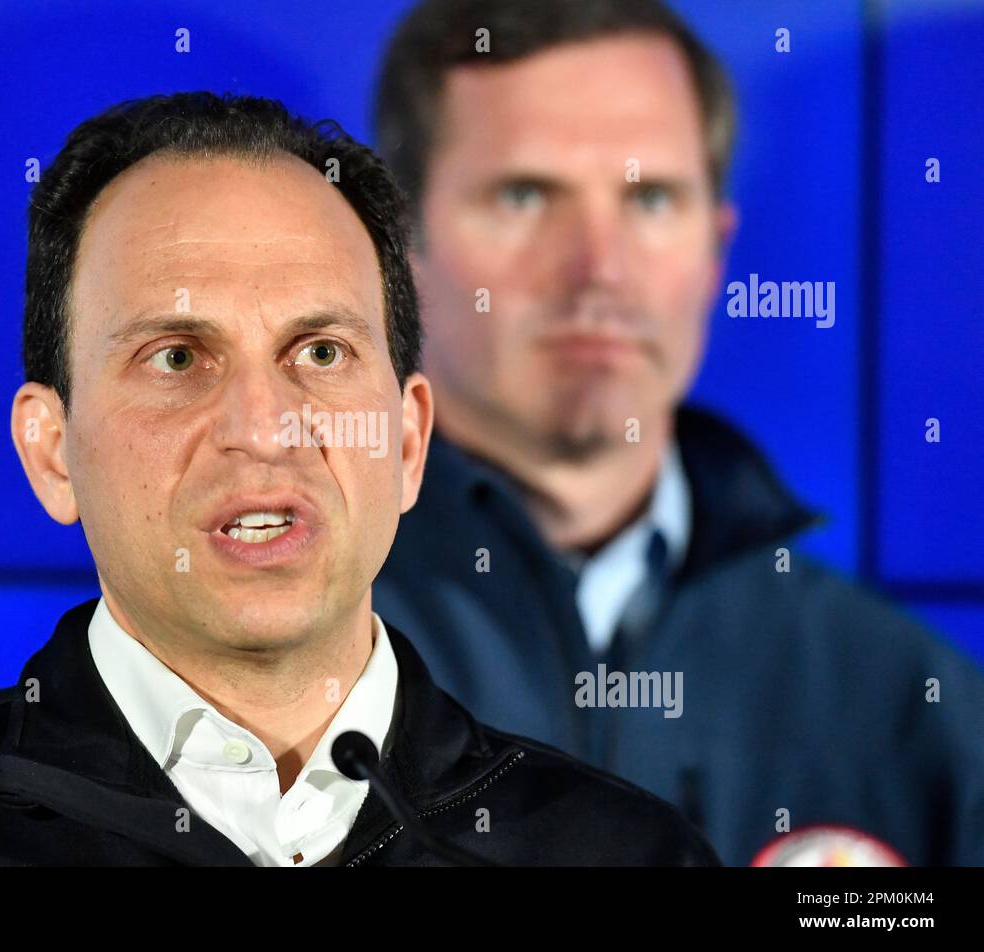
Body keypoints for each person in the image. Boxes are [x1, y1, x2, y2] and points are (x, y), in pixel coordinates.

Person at [0, 92, 718, 867]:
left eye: (318, 353)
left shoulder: (628, 855)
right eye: (177, 356)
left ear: (406, 442)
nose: (260, 429)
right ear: (53, 450)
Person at [371, 0, 984, 866]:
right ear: (401, 249)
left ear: (714, 252)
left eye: (650, 198)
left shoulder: (910, 707)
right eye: (524, 195)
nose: (600, 270)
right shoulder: (270, 655)